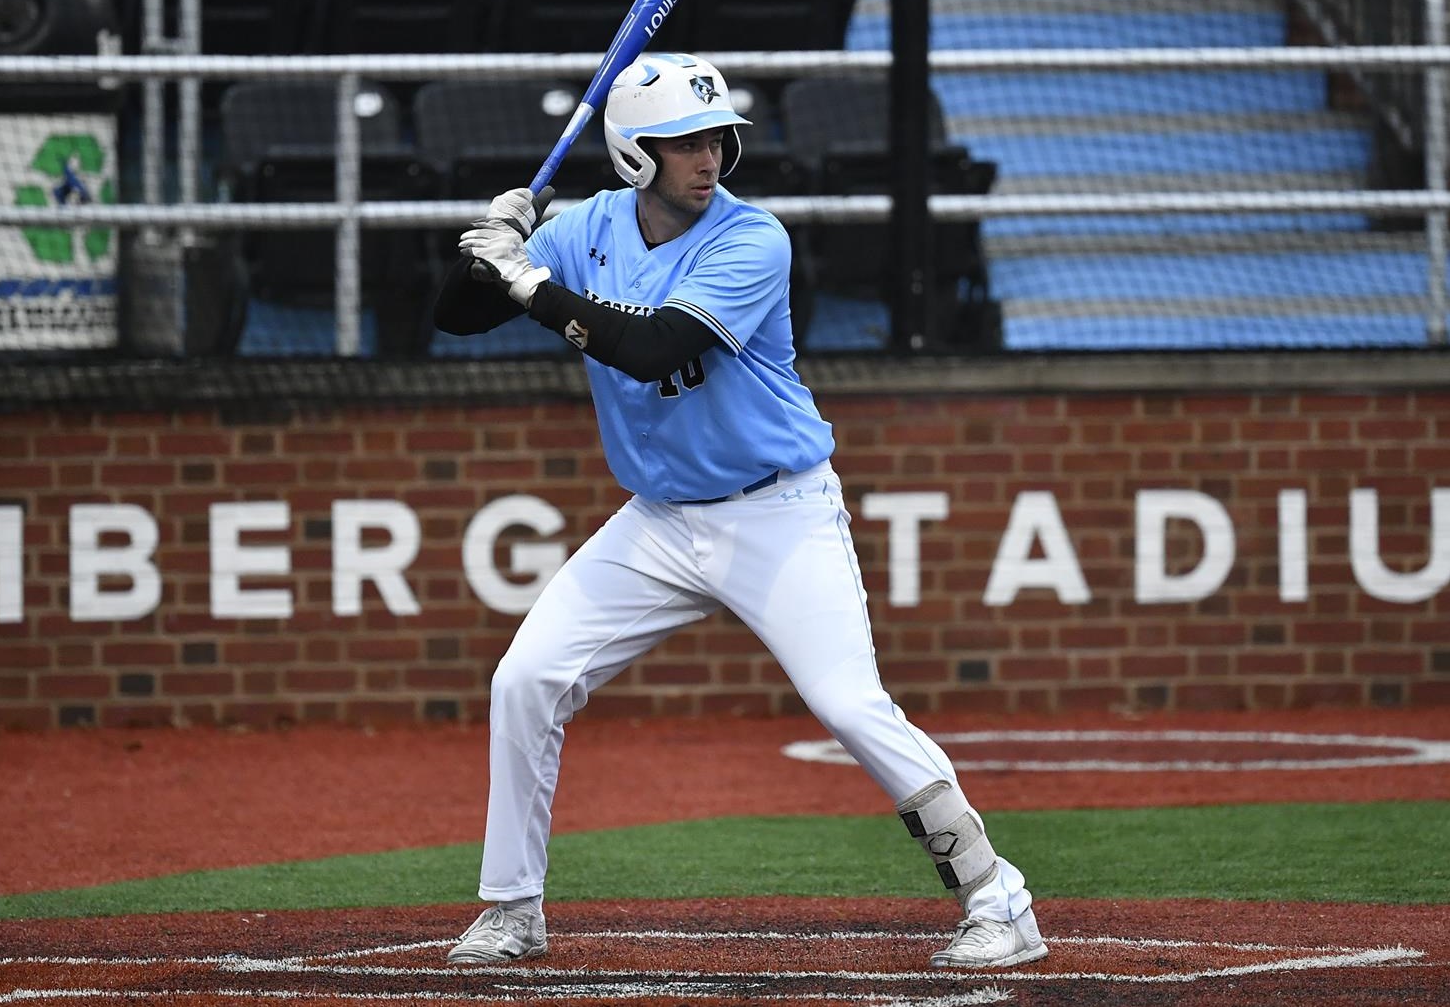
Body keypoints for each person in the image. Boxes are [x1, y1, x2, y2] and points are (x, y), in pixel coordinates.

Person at [430, 54, 1046, 970]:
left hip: (777, 511)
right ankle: (513, 908)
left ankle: (1001, 900)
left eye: (717, 138)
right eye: (683, 142)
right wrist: (492, 243)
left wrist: (526, 282)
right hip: (660, 518)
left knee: (847, 700)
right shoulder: (585, 228)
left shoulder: (753, 240)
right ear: (636, 153)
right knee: (525, 680)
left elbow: (652, 347)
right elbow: (454, 318)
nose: (708, 157)